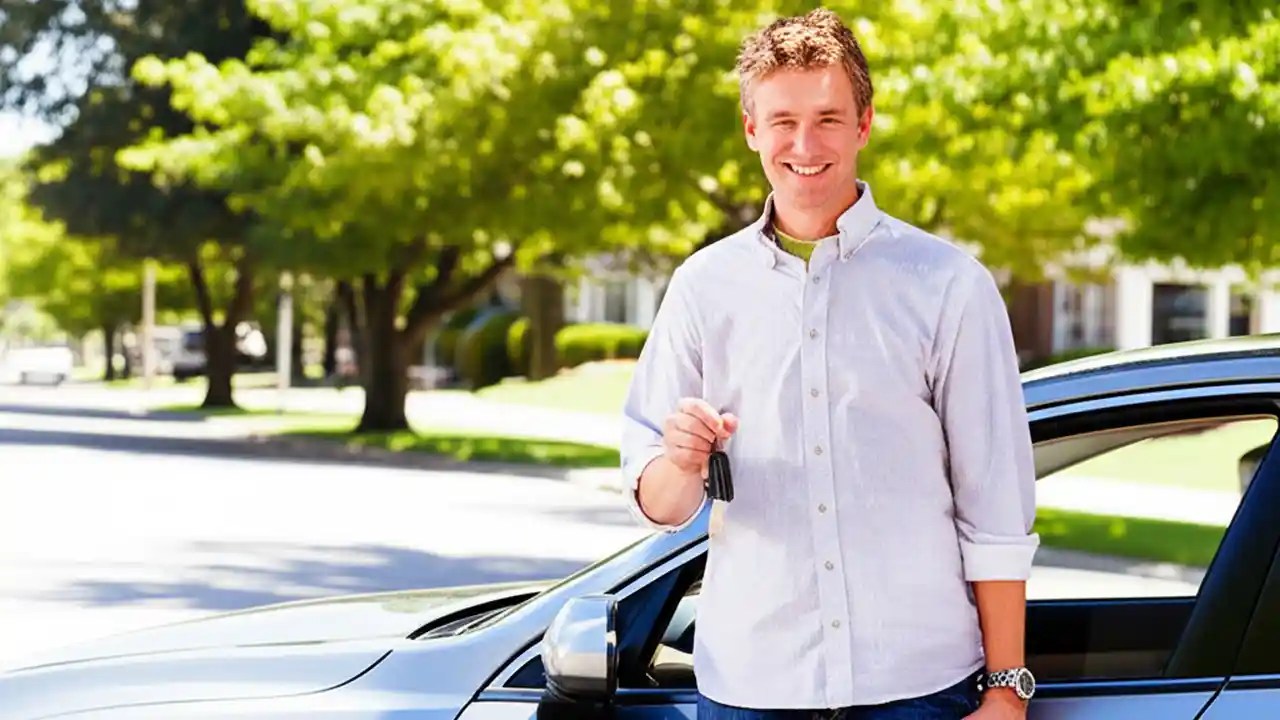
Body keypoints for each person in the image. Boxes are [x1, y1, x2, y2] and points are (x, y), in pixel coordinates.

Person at [619, 8, 1040, 720]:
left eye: (828, 118)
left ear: (864, 124)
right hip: (751, 693)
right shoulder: (702, 287)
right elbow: (662, 506)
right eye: (782, 120)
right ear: (751, 128)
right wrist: (682, 462)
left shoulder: (949, 286)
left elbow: (995, 506)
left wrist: (1007, 691)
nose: (805, 144)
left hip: (918, 689)